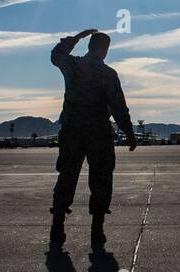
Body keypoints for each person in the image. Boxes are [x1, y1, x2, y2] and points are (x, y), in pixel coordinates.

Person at [49, 28, 135, 248]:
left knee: (67, 176)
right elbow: (118, 106)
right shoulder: (108, 74)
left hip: (72, 131)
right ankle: (97, 229)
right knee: (101, 178)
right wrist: (129, 132)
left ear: (88, 46)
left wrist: (75, 38)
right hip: (98, 132)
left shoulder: (73, 65)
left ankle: (57, 224)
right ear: (105, 50)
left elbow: (56, 55)